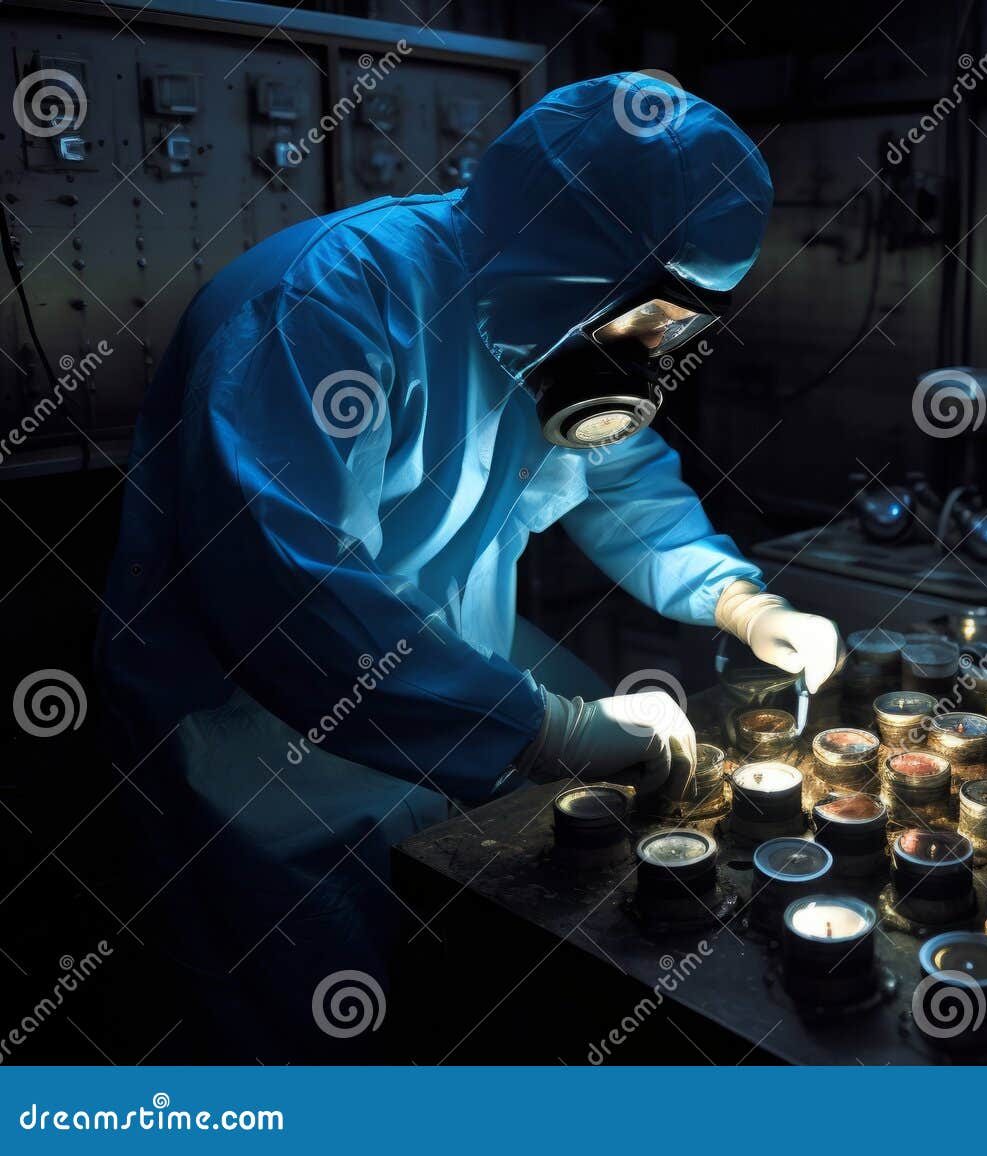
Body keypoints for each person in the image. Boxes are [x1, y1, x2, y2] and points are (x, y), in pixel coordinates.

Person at [93, 73, 840, 1058]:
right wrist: (547, 727)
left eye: (683, 324)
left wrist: (736, 596)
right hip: (254, 736)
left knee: (460, 984)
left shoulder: (562, 325)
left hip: (444, 676)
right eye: (648, 317)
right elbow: (290, 591)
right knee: (319, 1027)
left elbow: (621, 479)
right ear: (570, 264)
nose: (654, 350)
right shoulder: (321, 305)